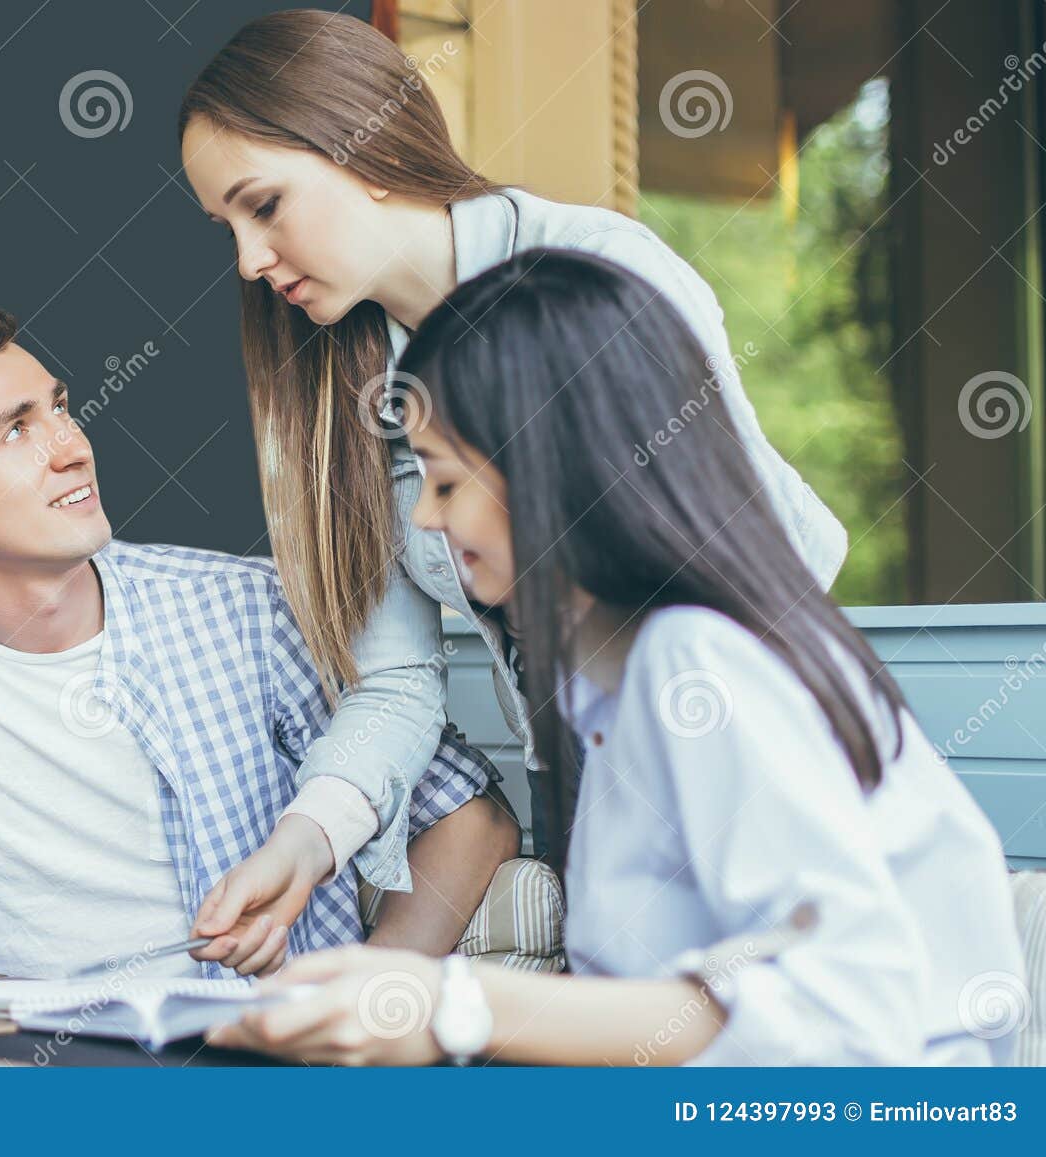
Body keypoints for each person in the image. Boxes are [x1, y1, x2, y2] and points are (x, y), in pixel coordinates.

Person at [207, 250, 1026, 1064]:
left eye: (447, 481)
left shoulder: (699, 661)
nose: (423, 517)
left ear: (558, 473)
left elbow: (843, 1011)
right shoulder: (609, 683)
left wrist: (453, 1006)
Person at [176, 11, 848, 930]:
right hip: (575, 772)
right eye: (225, 230)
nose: (251, 262)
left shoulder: (597, 275)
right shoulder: (333, 397)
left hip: (752, 740)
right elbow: (396, 684)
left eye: (264, 206)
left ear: (359, 148)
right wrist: (306, 839)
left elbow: (745, 568)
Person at [0, 306, 517, 981]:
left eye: (60, 409)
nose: (73, 447)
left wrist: (371, 994)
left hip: (244, 1066)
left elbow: (472, 820)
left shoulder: (246, 612)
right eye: (16, 430)